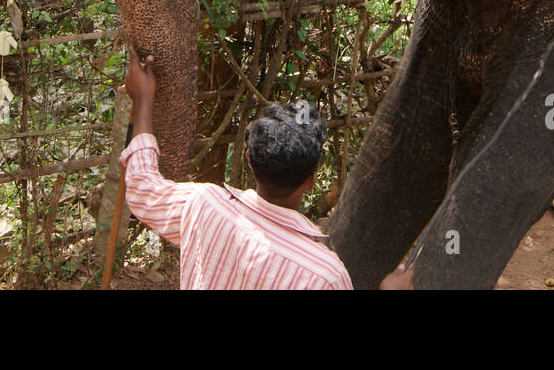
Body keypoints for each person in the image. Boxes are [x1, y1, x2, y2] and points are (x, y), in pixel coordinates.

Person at [119, 54, 413, 289]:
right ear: (311, 180)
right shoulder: (324, 276)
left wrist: (144, 98)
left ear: (248, 157)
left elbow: (142, 187)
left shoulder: (203, 205)